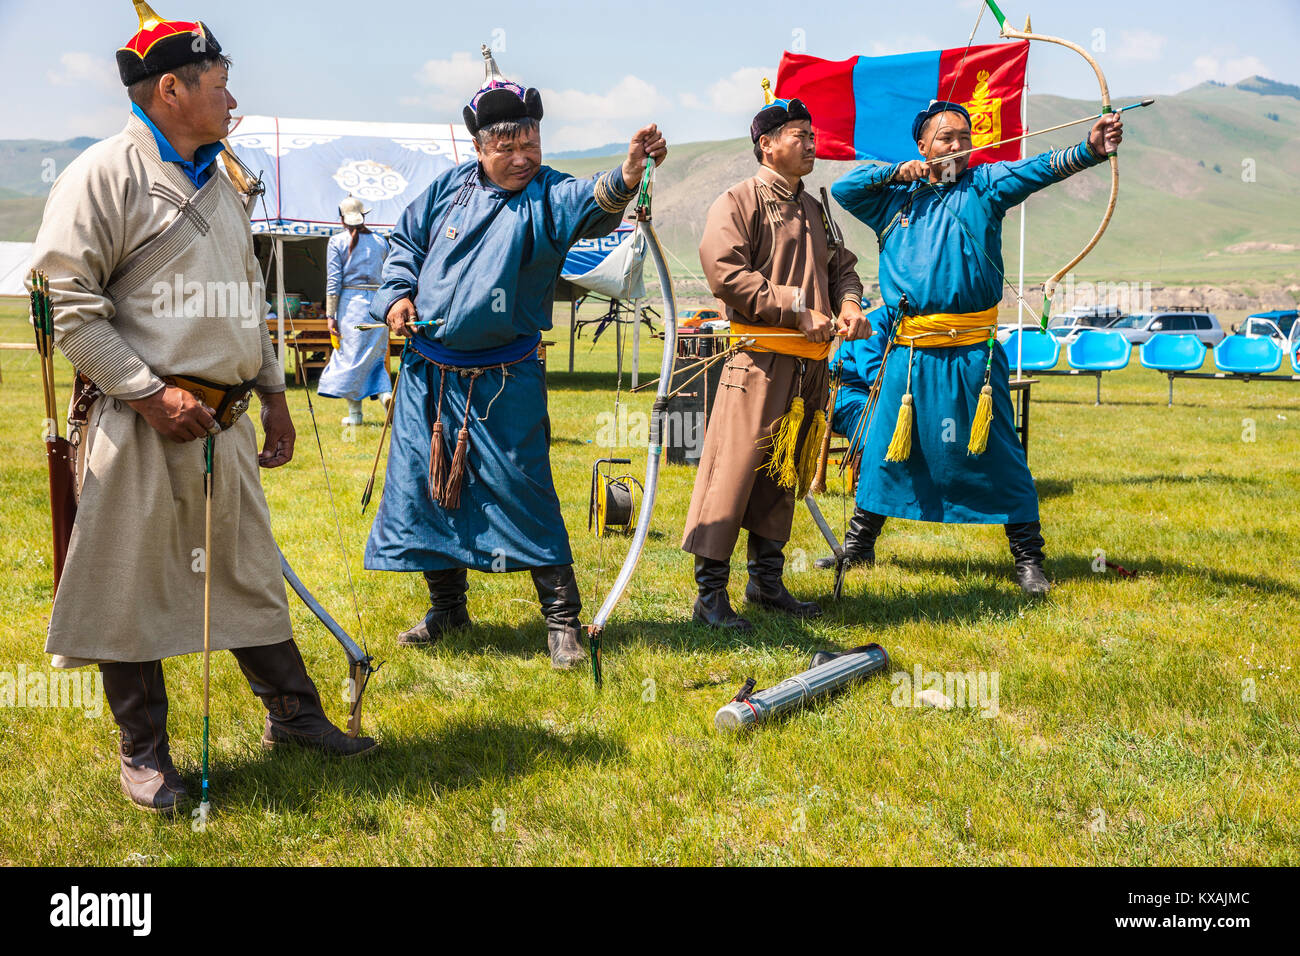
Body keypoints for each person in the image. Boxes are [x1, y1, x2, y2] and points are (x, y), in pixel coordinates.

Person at [29, 1, 375, 814]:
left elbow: (247, 299)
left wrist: (274, 398)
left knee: (247, 573)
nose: (232, 98)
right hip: (140, 423)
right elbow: (68, 302)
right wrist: (146, 394)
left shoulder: (223, 175)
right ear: (172, 88)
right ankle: (144, 754)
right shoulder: (101, 176)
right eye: (221, 84)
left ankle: (293, 716)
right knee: (129, 590)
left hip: (225, 421)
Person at [365, 47, 668, 668]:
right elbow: (403, 242)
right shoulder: (447, 190)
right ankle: (448, 608)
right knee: (428, 492)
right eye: (506, 144)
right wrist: (397, 294)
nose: (522, 154)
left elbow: (598, 199)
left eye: (529, 139)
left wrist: (630, 170)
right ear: (479, 148)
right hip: (429, 375)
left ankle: (561, 621)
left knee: (525, 489)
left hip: (506, 379)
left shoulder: (550, 195)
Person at [831, 100, 1125, 595]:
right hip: (910, 353)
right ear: (922, 146)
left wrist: (1090, 150)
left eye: (965, 138)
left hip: (973, 355)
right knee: (886, 448)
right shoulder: (892, 201)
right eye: (945, 138)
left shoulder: (985, 186)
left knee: (1000, 452)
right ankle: (859, 547)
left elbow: (1037, 170)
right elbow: (844, 188)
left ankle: (1028, 559)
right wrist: (898, 172)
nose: (957, 146)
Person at [682, 91, 869, 631]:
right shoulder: (737, 201)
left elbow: (844, 269)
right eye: (800, 136)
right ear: (767, 145)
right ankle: (709, 595)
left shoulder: (816, 207)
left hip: (809, 369)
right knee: (733, 473)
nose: (812, 144)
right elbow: (725, 273)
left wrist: (849, 303)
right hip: (758, 363)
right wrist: (796, 308)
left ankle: (766, 581)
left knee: (781, 473)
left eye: (812, 136)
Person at [318, 197, 393, 425]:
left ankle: (355, 416)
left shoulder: (336, 242)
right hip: (378, 305)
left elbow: (334, 281)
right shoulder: (381, 241)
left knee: (350, 359)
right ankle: (386, 396)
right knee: (375, 358)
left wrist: (331, 315)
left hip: (350, 306)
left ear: (342, 219)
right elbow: (390, 276)